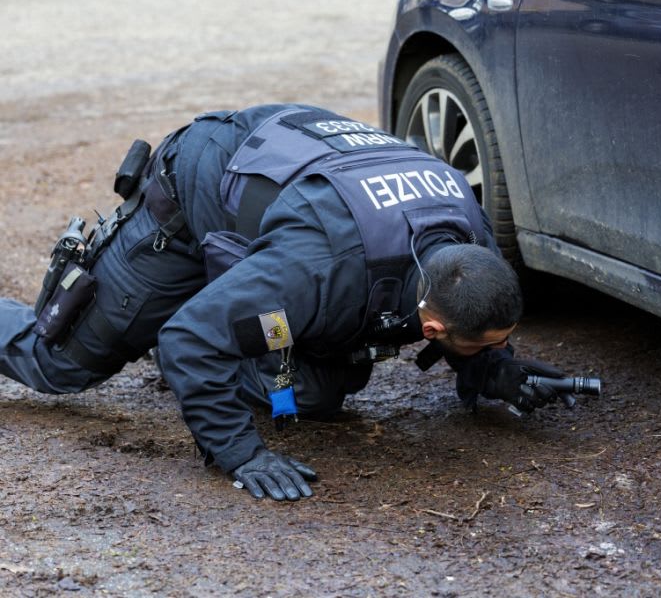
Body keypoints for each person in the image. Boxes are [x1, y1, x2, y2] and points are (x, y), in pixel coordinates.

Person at [0, 104, 570, 502]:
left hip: (290, 198)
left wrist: (497, 370)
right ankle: (201, 297)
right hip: (199, 187)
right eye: (489, 343)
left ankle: (229, 298)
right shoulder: (320, 263)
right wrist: (240, 454)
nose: (495, 345)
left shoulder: (469, 237)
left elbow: (466, 307)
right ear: (432, 324)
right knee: (60, 364)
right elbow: (186, 339)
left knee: (307, 396)